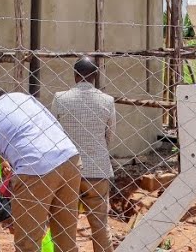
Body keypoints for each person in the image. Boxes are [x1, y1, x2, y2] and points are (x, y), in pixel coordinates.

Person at [0, 92, 81, 252]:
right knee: (66, 242)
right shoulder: (16, 97)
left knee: (27, 245)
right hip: (70, 157)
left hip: (35, 168)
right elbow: (52, 122)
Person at [50, 57, 116, 252]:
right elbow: (110, 135)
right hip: (97, 169)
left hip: (68, 170)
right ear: (96, 76)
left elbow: (53, 132)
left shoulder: (60, 98)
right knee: (100, 224)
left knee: (65, 224)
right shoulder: (107, 100)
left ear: (75, 75)